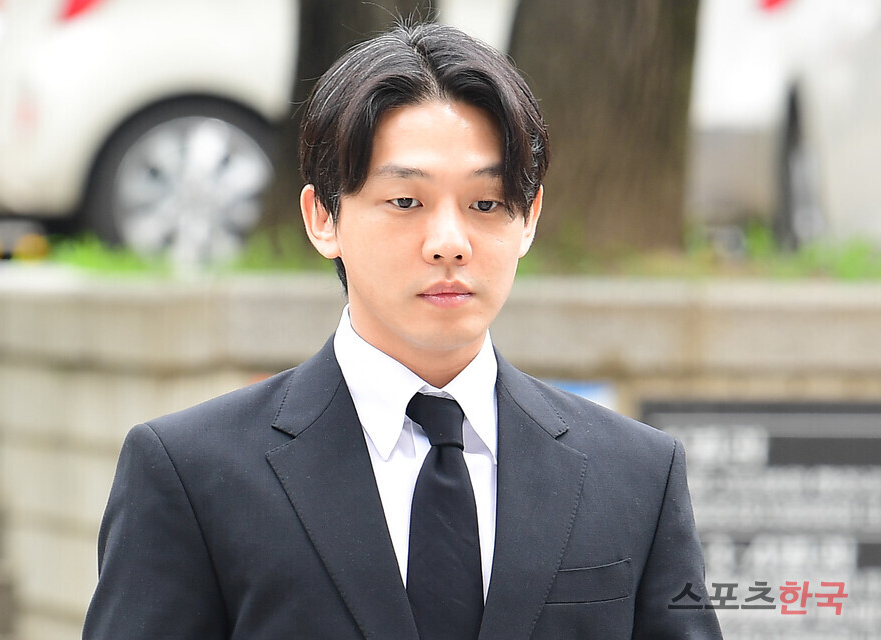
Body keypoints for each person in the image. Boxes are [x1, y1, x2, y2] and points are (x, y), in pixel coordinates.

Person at [83, 22, 723, 640]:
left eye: (486, 204)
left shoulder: (636, 474)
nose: (449, 243)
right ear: (323, 217)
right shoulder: (192, 474)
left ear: (529, 218)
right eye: (406, 202)